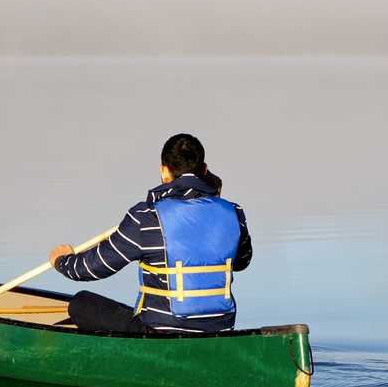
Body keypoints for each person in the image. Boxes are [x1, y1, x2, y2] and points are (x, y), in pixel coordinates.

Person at [50, 133, 252, 335]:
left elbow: (93, 268)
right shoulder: (233, 212)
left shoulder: (146, 217)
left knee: (80, 303)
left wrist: (63, 261)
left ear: (164, 171)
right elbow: (242, 261)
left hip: (159, 330)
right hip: (220, 328)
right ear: (205, 170)